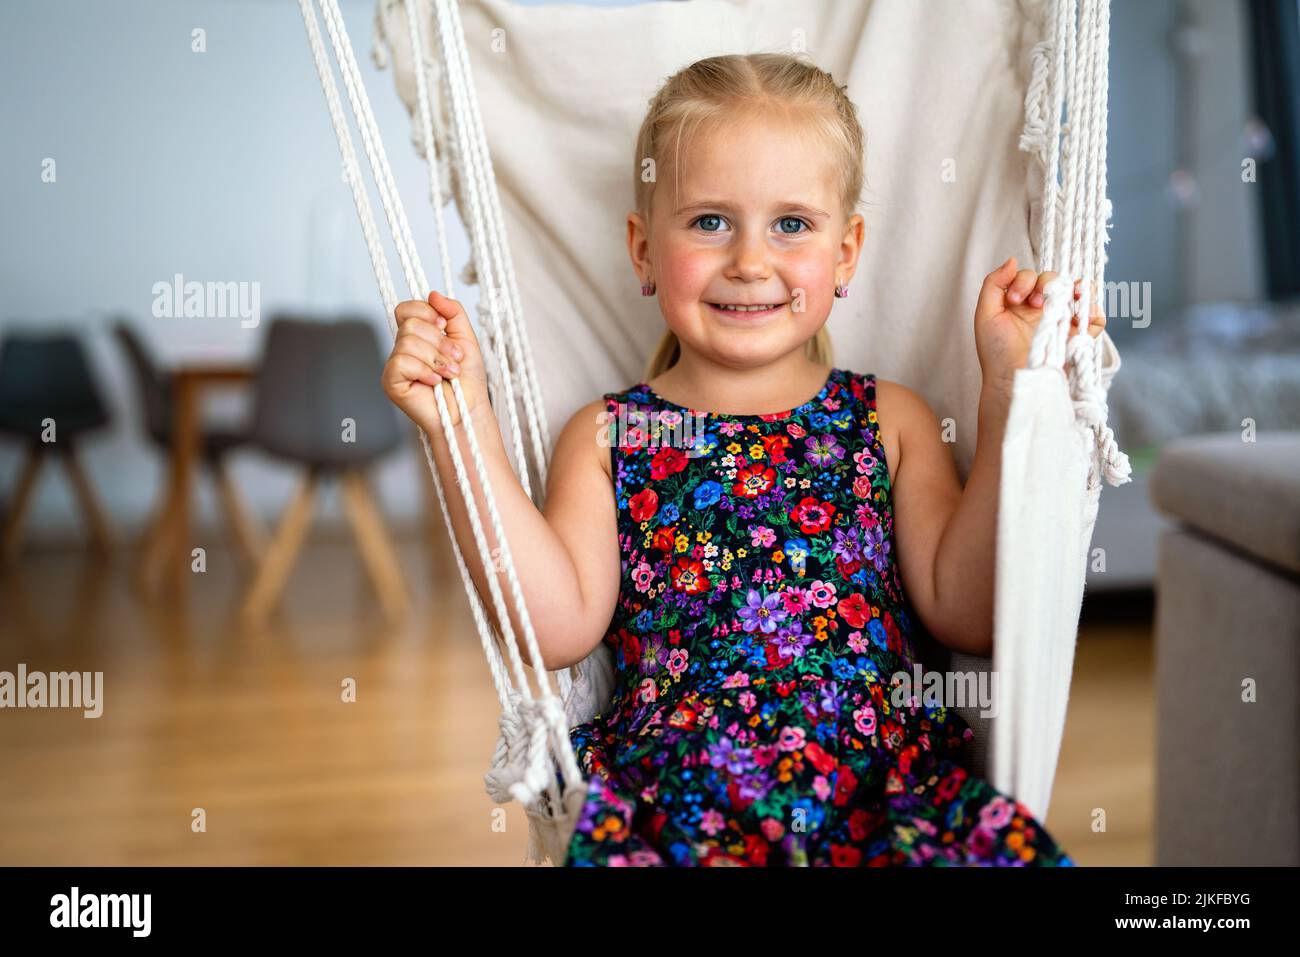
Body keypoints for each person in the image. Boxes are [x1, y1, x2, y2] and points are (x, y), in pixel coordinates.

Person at [381, 53, 1103, 866]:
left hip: (877, 790)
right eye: (709, 222)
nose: (750, 261)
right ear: (643, 250)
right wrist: (460, 422)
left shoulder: (890, 419)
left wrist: (1010, 391)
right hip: (680, 792)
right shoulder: (609, 434)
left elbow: (968, 613)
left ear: (847, 251)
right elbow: (553, 628)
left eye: (791, 224)